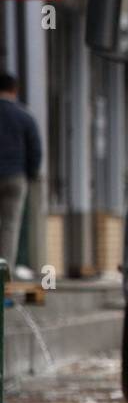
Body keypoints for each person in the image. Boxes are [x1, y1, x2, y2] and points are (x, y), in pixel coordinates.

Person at [0, 71, 42, 278]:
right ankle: (4, 272)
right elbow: (35, 148)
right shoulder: (24, 115)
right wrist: (32, 173)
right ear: (14, 90)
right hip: (16, 176)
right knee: (10, 225)